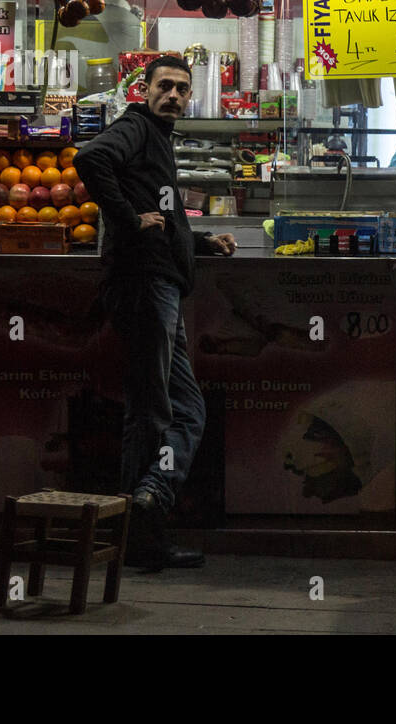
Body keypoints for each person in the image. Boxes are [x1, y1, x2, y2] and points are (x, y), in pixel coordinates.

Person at [74, 55, 237, 569]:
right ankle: (138, 537)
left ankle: (148, 500)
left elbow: (164, 219)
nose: (173, 95)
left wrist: (203, 243)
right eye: (164, 86)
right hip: (144, 286)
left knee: (187, 410)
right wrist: (126, 220)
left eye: (182, 89)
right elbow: (88, 160)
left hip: (162, 283)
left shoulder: (158, 140)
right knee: (149, 411)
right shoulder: (136, 128)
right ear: (144, 90)